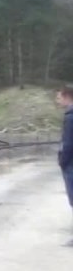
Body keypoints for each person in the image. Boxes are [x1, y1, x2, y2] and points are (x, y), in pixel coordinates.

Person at [57, 85, 73, 214]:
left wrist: (62, 161)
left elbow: (68, 143)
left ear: (67, 97)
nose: (58, 101)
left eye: (59, 97)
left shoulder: (70, 117)